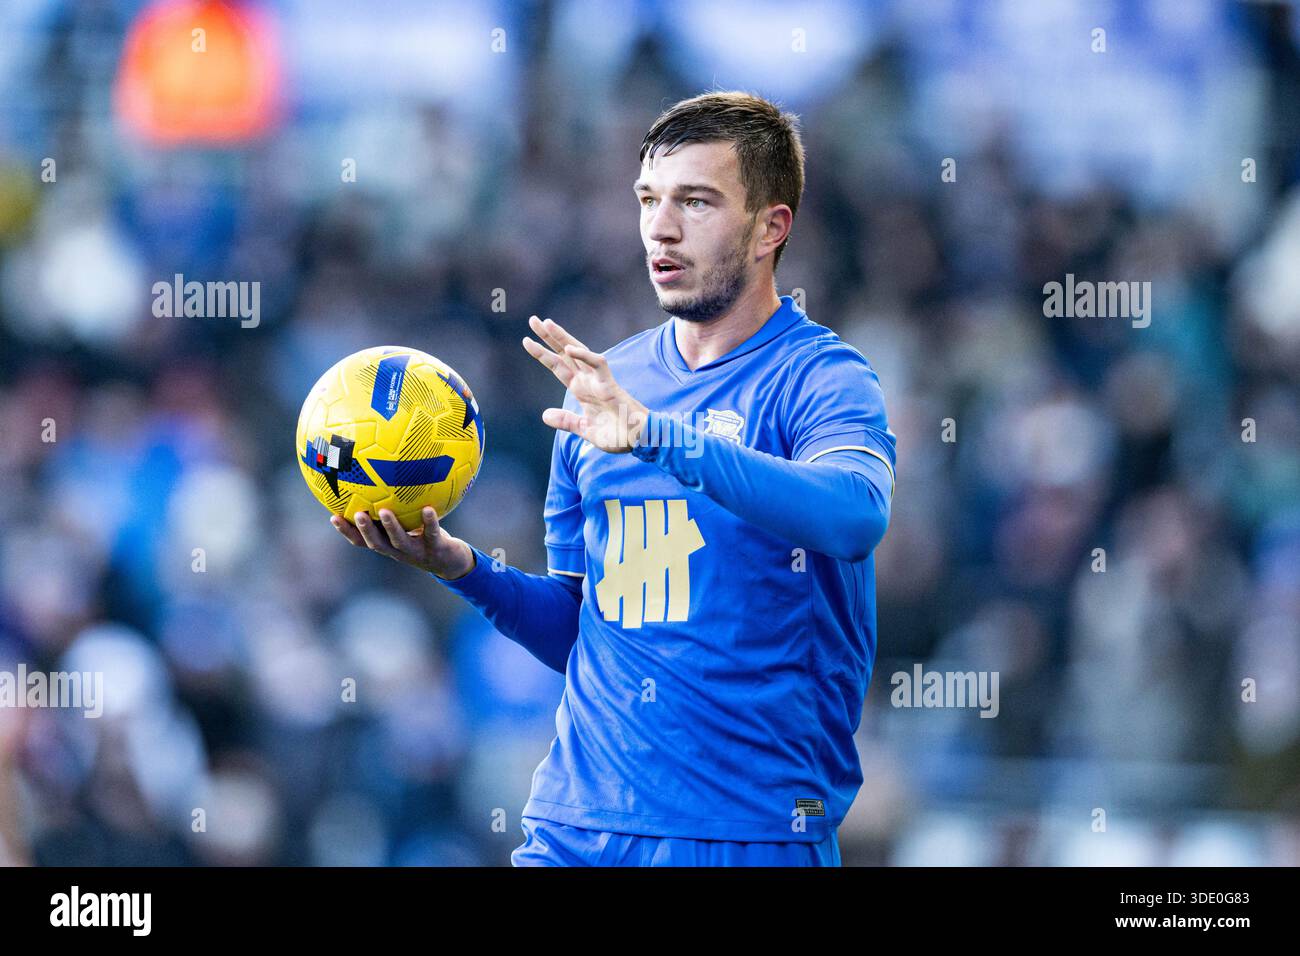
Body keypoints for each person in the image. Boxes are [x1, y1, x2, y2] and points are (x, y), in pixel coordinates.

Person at [332, 91, 897, 866]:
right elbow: (582, 629)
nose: (661, 227)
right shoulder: (604, 384)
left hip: (744, 831)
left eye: (696, 202)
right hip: (576, 824)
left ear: (772, 227)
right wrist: (462, 569)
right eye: (648, 200)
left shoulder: (821, 380)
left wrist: (662, 439)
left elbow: (856, 515)